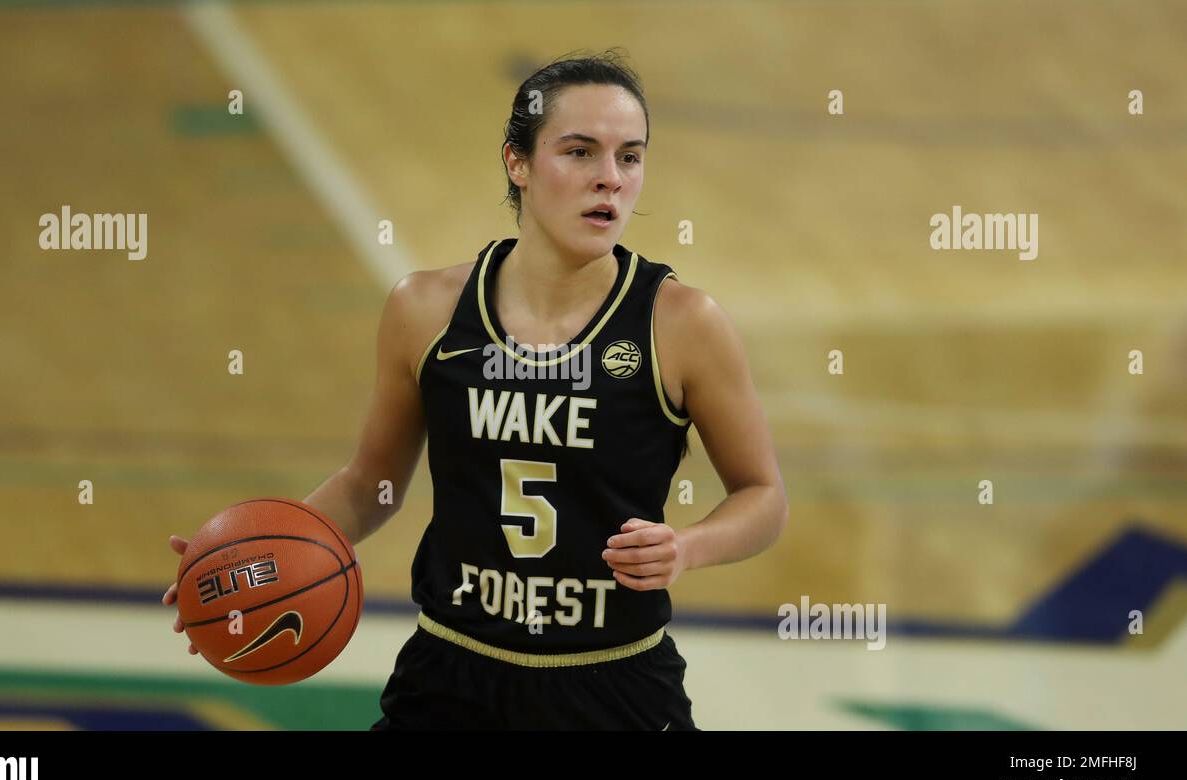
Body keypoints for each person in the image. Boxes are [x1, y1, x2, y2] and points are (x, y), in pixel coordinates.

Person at [163, 50, 788, 730]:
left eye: (629, 156)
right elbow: (371, 482)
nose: (609, 179)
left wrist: (687, 547)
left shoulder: (683, 323)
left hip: (616, 684)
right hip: (452, 677)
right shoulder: (426, 308)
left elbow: (762, 496)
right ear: (517, 163)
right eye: (579, 152)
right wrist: (251, 564)